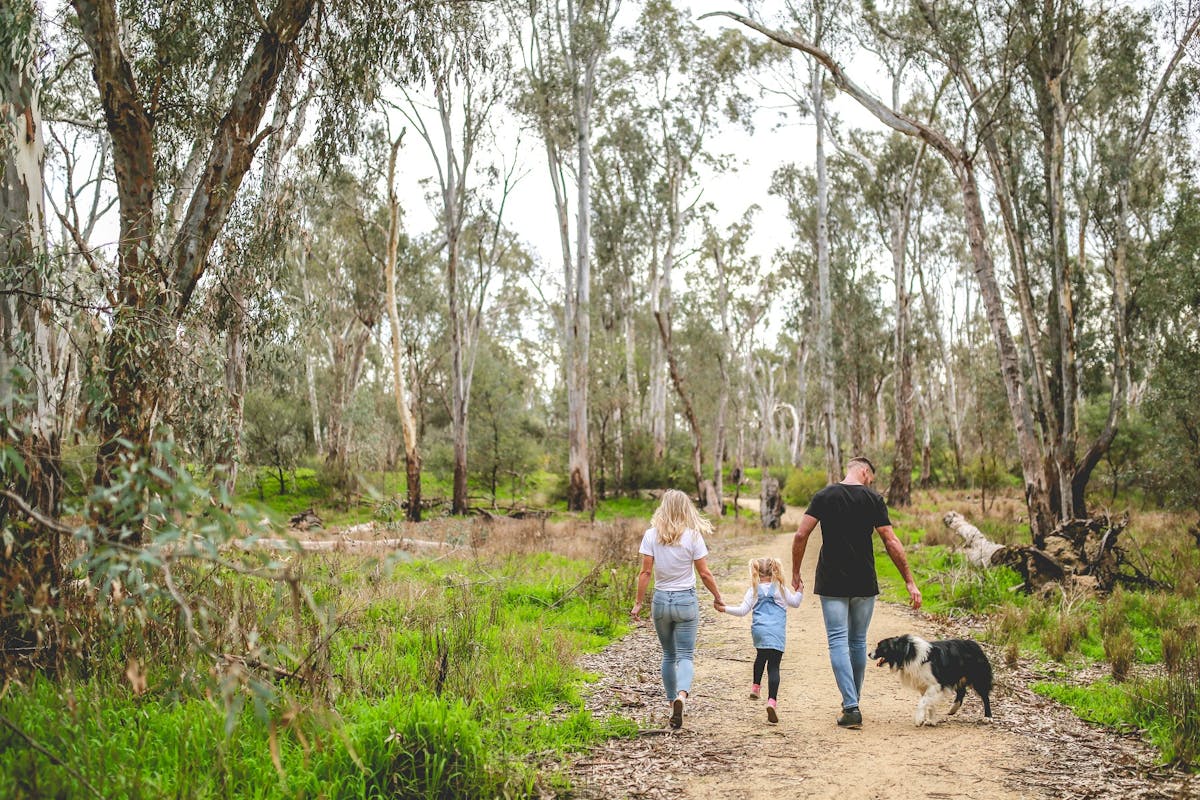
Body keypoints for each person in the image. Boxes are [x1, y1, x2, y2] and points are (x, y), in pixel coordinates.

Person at [791, 456, 922, 729]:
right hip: (863, 580)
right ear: (864, 471)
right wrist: (909, 581)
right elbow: (890, 540)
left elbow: (801, 535)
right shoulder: (873, 499)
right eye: (871, 478)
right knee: (858, 642)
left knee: (838, 641)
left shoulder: (824, 495)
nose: (870, 482)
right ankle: (853, 702)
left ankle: (851, 706)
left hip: (832, 580)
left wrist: (795, 573)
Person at [631, 489, 725, 730]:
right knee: (685, 655)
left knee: (668, 655)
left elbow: (645, 573)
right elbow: (704, 573)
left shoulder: (651, 535)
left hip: (661, 601)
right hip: (686, 602)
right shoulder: (693, 537)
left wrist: (639, 603)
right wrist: (717, 596)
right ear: (686, 509)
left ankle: (671, 701)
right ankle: (682, 696)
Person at [720, 557, 803, 724]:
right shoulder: (780, 589)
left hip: (759, 631)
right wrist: (800, 589)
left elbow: (742, 611)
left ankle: (755, 687)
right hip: (776, 633)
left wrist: (724, 608)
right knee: (774, 667)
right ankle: (772, 702)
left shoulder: (753, 590)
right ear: (774, 571)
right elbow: (795, 603)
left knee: (760, 657)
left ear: (757, 572)